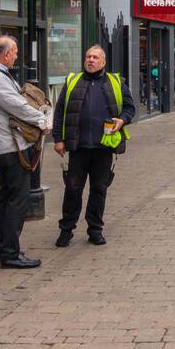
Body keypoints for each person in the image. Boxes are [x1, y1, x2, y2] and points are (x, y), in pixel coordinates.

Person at [0, 36, 50, 269]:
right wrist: (41, 119)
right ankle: (10, 253)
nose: (16, 56)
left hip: (3, 145)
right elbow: (15, 105)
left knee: (5, 196)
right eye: (14, 52)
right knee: (18, 198)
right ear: (5, 54)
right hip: (9, 145)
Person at [51, 44, 135, 247]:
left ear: (103, 61)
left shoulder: (116, 82)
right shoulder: (73, 82)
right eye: (88, 56)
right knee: (72, 190)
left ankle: (95, 230)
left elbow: (130, 108)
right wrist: (58, 139)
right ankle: (66, 230)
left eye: (95, 57)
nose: (90, 60)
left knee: (99, 189)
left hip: (103, 148)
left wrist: (122, 120)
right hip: (78, 147)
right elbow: (60, 112)